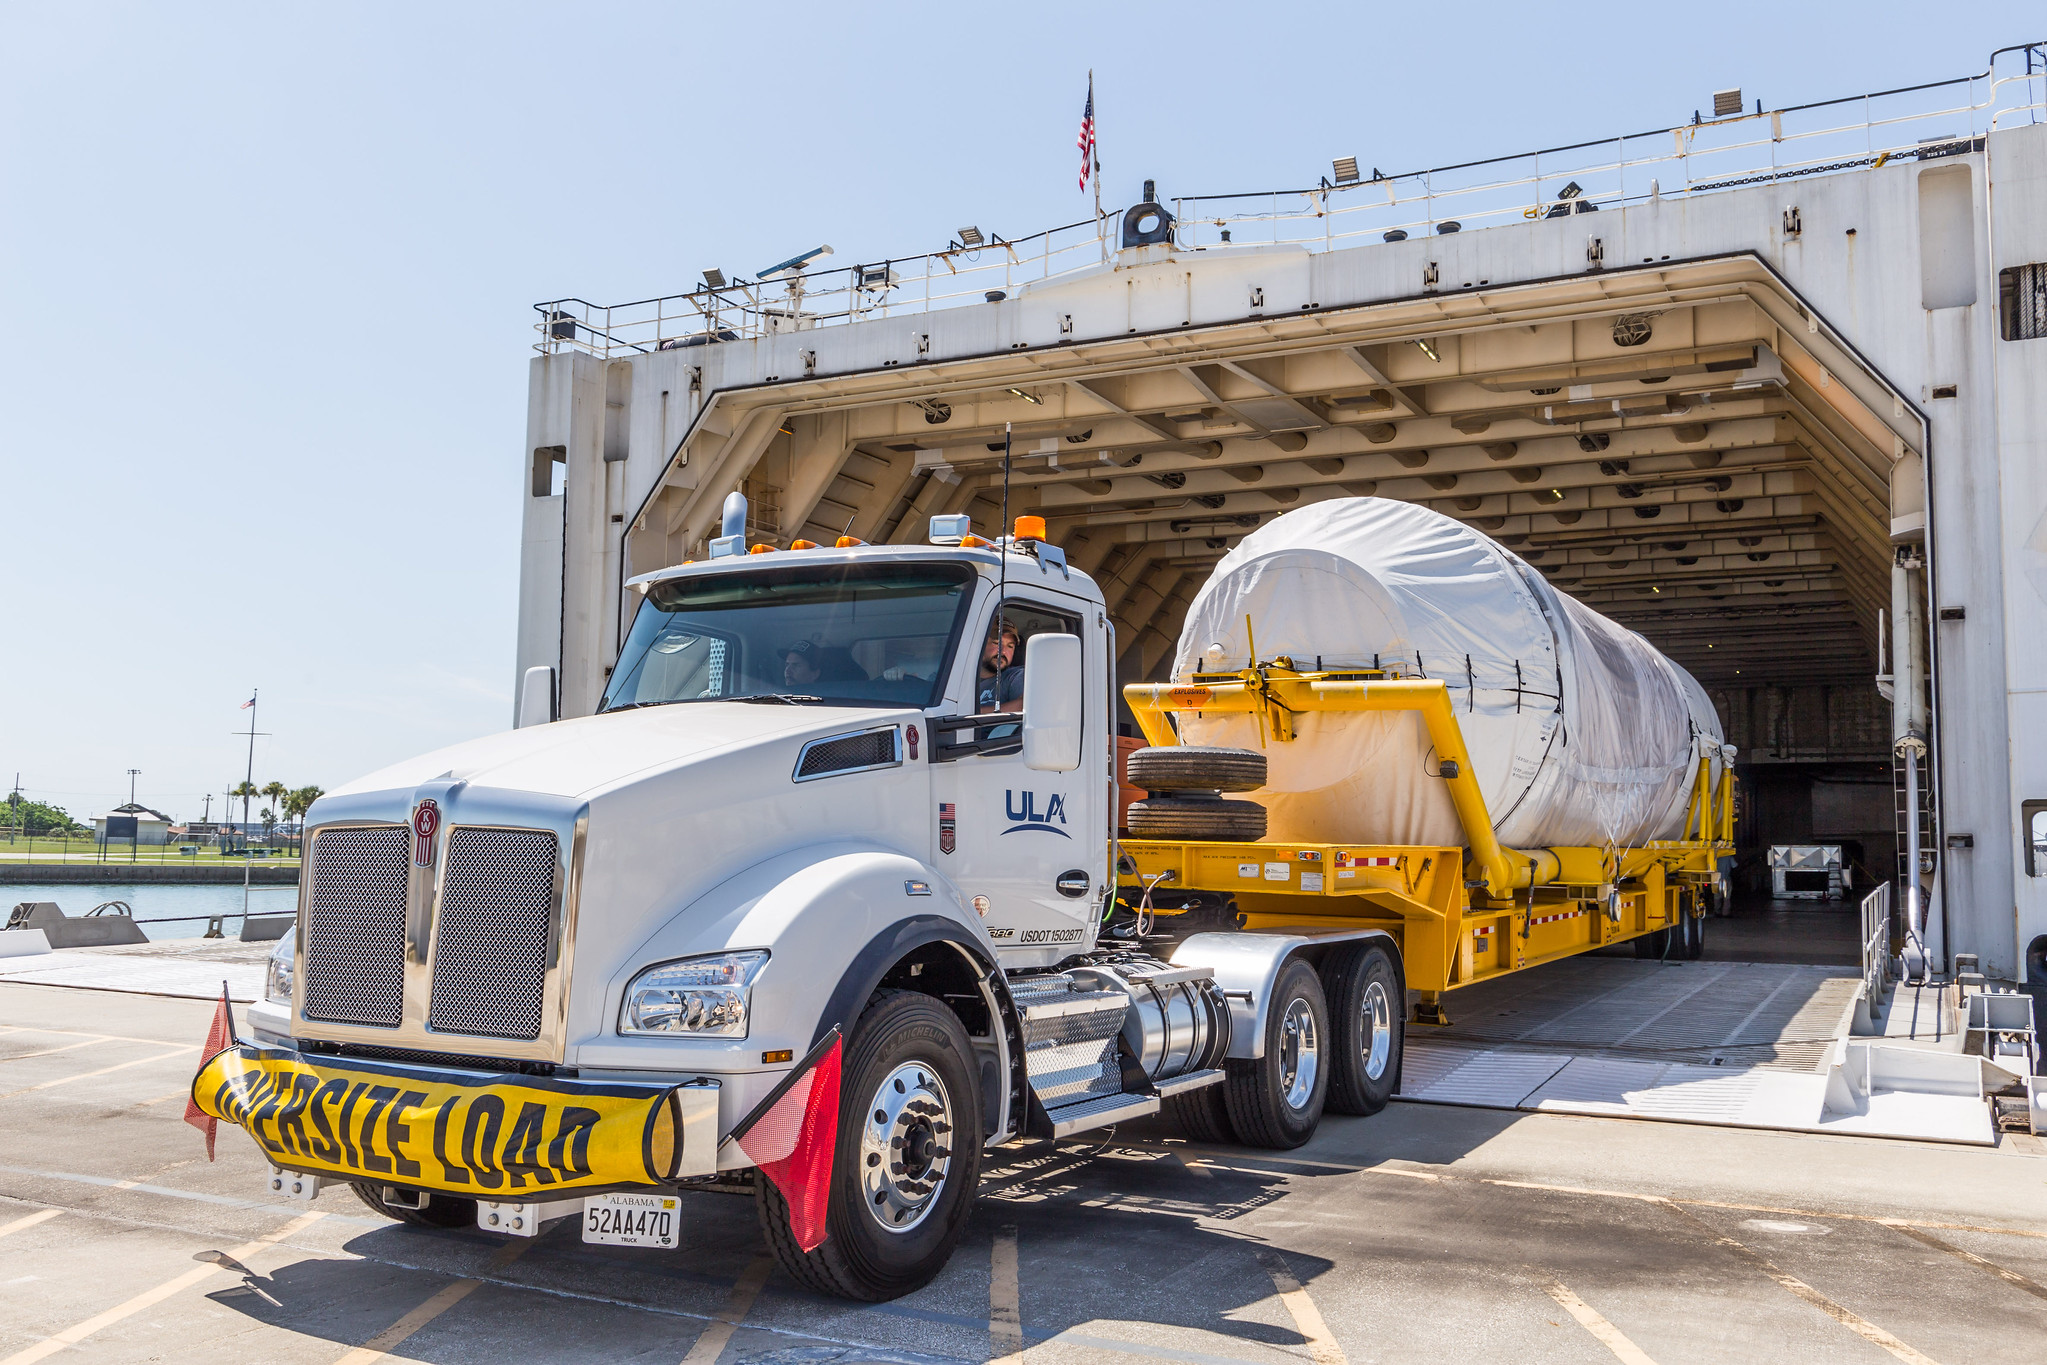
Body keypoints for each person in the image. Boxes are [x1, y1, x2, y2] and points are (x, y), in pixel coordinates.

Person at [976, 621, 1024, 713]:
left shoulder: (1016, 676)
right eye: (997, 643)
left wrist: (975, 714)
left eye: (1010, 646)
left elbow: (1026, 705)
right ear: (980, 645)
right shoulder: (960, 680)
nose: (1003, 652)